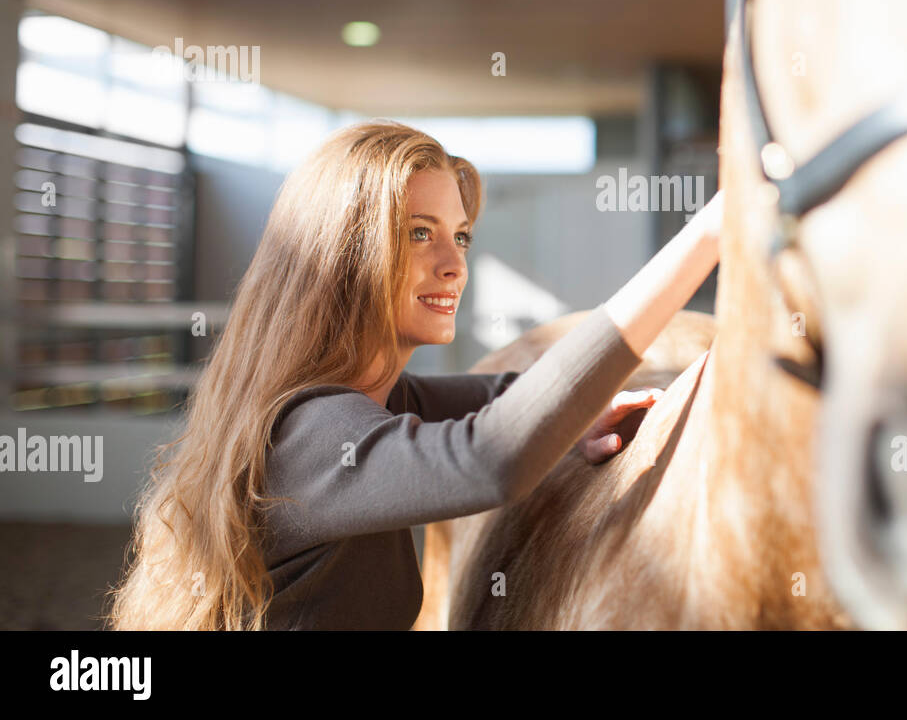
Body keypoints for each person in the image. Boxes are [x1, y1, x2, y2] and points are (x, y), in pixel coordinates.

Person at [107, 121, 722, 629]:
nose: (454, 264)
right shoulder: (312, 433)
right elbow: (492, 457)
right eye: (419, 234)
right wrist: (711, 233)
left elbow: (506, 396)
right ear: (343, 255)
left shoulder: (377, 398)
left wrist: (581, 415)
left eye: (461, 236)